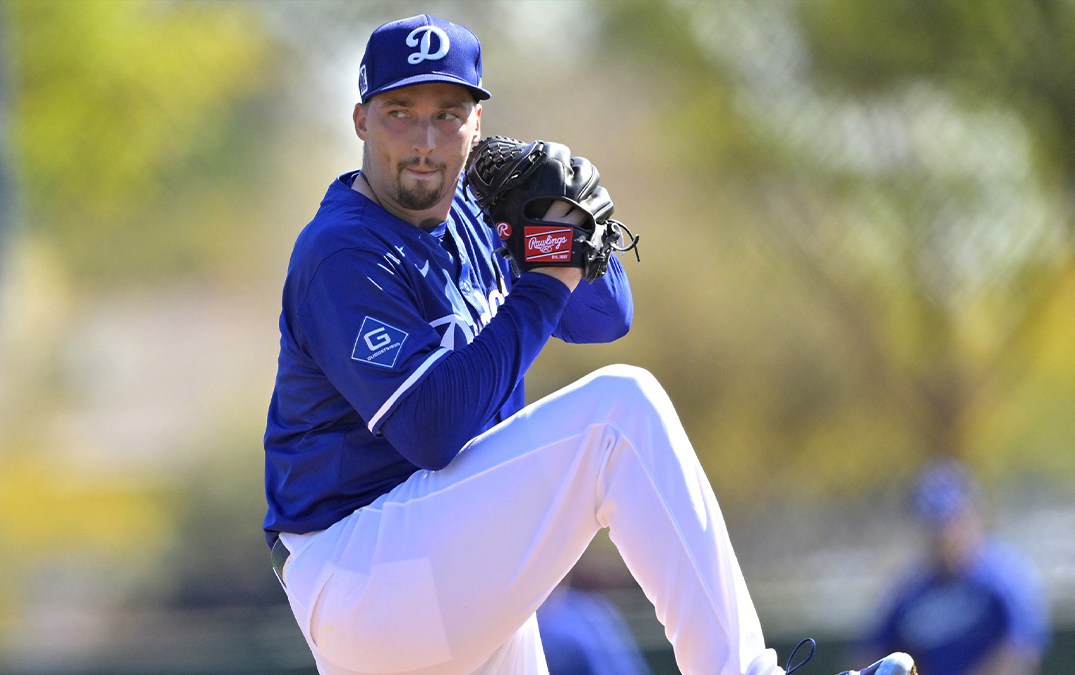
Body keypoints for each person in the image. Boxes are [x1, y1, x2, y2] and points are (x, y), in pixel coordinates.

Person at [262, 14, 916, 675]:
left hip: (442, 557)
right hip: (362, 571)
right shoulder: (343, 250)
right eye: (401, 112)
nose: (425, 140)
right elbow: (432, 429)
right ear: (361, 120)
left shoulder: (475, 216)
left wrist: (569, 225)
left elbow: (607, 318)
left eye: (448, 114)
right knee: (620, 412)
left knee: (617, 412)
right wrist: (548, 277)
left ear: (477, 124)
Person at [858, 460, 1049, 675]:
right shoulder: (911, 590)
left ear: (972, 516)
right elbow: (871, 654)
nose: (943, 534)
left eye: (951, 520)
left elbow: (1020, 651)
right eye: (932, 524)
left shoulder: (1002, 577)